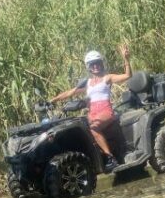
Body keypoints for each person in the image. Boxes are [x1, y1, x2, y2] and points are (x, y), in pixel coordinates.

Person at [50, 45, 131, 173]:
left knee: (94, 128)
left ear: (101, 64)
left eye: (97, 63)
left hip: (105, 111)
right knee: (82, 129)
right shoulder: (87, 83)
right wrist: (54, 99)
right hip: (93, 113)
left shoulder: (107, 78)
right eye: (92, 64)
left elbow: (127, 76)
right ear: (89, 67)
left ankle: (111, 158)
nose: (95, 66)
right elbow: (71, 92)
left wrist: (126, 59)